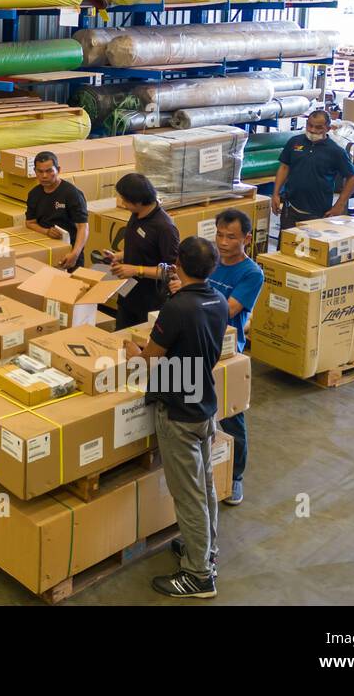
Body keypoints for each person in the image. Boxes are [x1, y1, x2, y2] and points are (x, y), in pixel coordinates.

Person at [125, 235, 227, 599]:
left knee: (188, 495)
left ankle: (199, 576)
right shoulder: (217, 300)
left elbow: (151, 357)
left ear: (179, 265)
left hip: (178, 412)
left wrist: (132, 351)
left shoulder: (178, 308)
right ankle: (206, 549)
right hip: (203, 404)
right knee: (206, 487)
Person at [172, 207, 262, 507]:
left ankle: (236, 476)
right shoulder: (210, 262)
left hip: (226, 353)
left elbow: (230, 310)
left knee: (233, 416)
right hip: (195, 345)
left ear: (246, 238)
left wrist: (189, 289)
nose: (223, 243)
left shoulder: (251, 273)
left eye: (231, 237)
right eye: (220, 235)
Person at [107, 173, 180, 329]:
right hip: (128, 295)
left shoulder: (165, 228)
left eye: (125, 200)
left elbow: (171, 271)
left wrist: (135, 270)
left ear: (139, 201)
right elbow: (141, 248)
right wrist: (118, 256)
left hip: (150, 303)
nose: (123, 203)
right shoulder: (136, 214)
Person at [272, 109, 354, 238]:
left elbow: (352, 178)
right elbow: (284, 167)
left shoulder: (335, 151)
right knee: (285, 247)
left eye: (318, 127)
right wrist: (276, 193)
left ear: (328, 128)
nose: (312, 130)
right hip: (291, 209)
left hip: (318, 213)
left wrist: (339, 205)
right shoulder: (295, 142)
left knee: (311, 251)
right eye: (310, 125)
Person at [24, 151, 88, 269]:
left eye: (49, 171)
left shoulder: (72, 194)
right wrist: (46, 231)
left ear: (58, 170)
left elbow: (83, 226)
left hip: (69, 249)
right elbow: (30, 223)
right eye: (40, 171)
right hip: (45, 248)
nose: (44, 176)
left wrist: (75, 253)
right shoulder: (34, 194)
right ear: (35, 171)